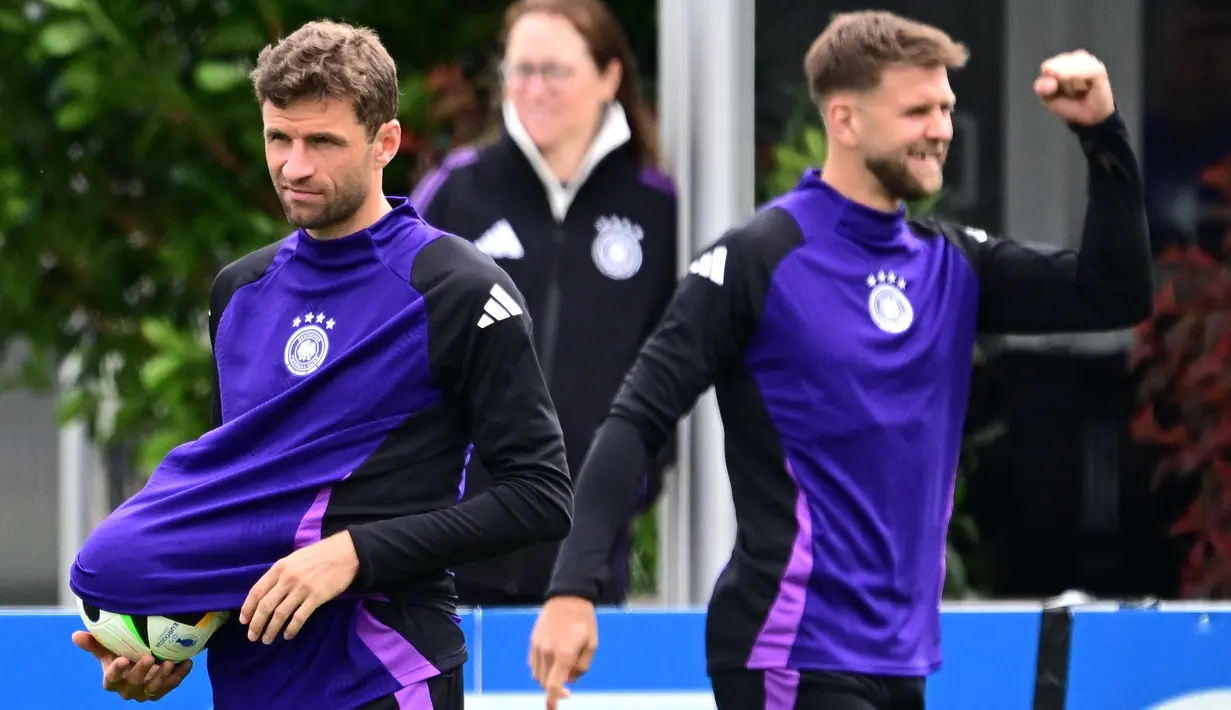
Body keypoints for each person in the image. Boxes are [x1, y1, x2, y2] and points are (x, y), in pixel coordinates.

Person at [528, 10, 1152, 710]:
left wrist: (1100, 132)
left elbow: (1114, 293)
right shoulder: (758, 258)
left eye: (944, 108)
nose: (941, 129)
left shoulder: (952, 265)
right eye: (917, 110)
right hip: (789, 647)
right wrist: (572, 587)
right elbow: (636, 417)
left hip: (900, 658)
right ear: (845, 121)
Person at [68, 19, 573, 710]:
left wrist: (352, 554)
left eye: (322, 142)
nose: (294, 166)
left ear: (383, 143)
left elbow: (540, 496)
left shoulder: (457, 288)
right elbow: (245, 509)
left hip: (387, 675)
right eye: (280, 138)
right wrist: (169, 645)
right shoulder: (239, 292)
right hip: (251, 688)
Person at [411, 0, 677, 607]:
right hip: (449, 549)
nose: (534, 89)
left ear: (608, 77)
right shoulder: (456, 192)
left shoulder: (657, 209)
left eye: (554, 71)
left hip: (582, 562)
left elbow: (674, 365)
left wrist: (630, 484)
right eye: (520, 69)